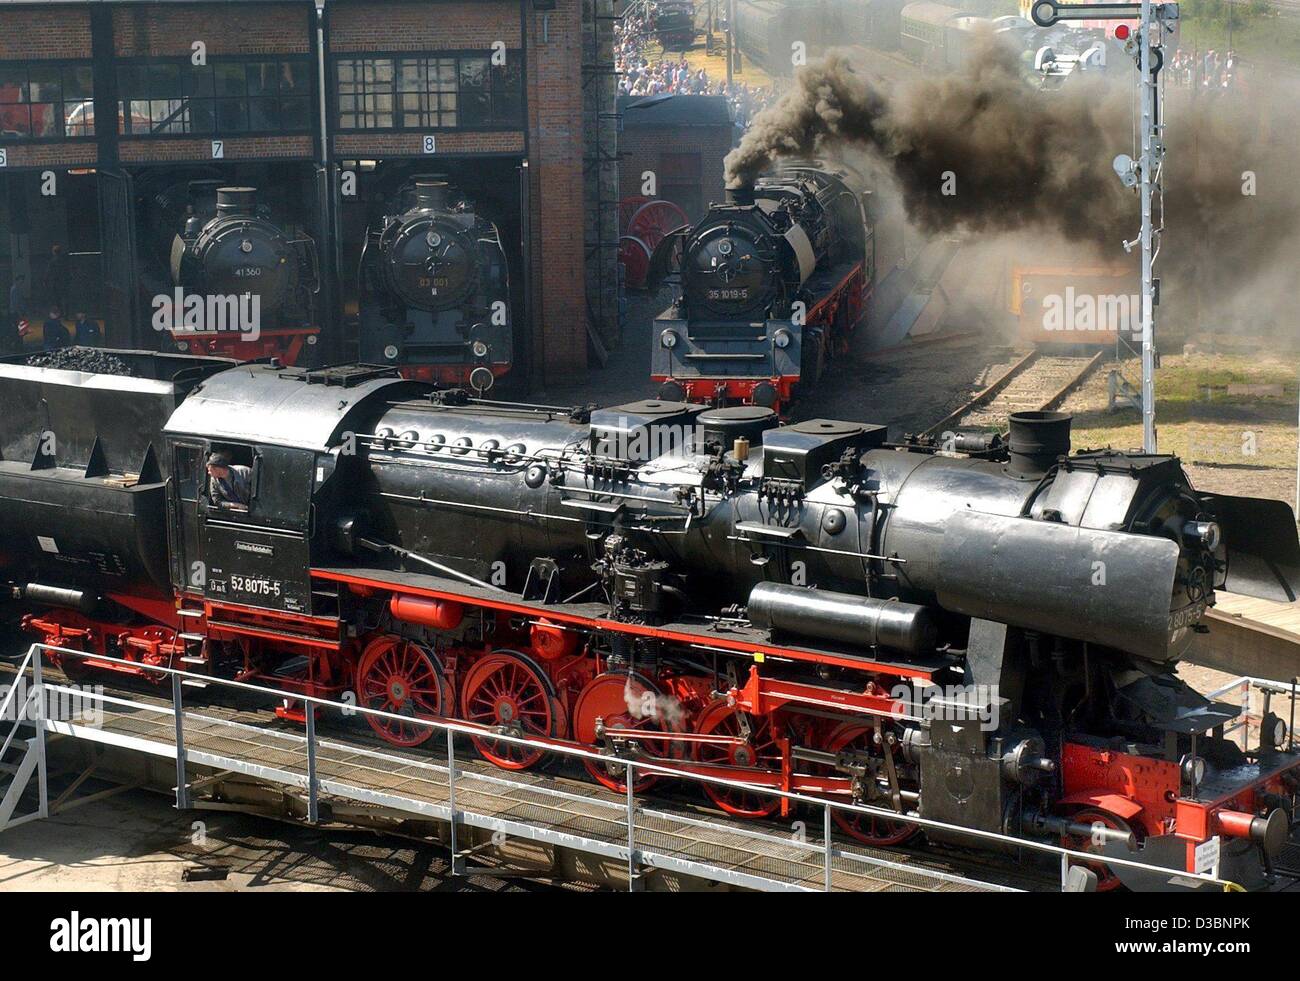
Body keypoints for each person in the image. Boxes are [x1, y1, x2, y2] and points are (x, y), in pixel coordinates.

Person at [6, 274, 25, 355]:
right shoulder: (15, 289)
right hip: (16, 312)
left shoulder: (15, 288)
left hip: (15, 311)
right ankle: (18, 345)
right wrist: (20, 311)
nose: (22, 282)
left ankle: (17, 344)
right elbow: (16, 302)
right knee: (18, 328)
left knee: (18, 328)